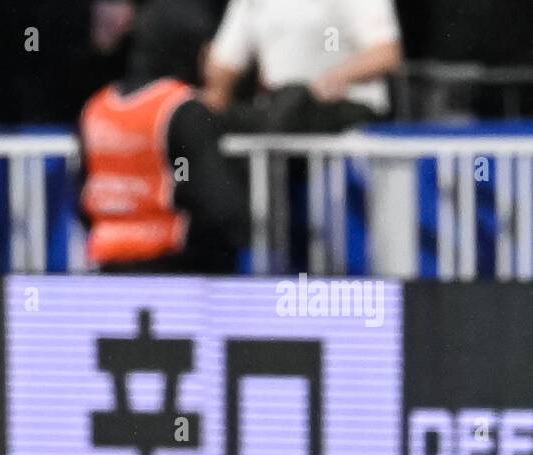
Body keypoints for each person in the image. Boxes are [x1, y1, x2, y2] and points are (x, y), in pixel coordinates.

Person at [78, 0, 247, 274]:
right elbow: (221, 205)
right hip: (175, 267)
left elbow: (83, 195)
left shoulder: (96, 107)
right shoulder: (182, 108)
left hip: (108, 265)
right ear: (193, 48)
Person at [204, 0, 403, 132]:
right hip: (280, 112)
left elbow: (386, 53)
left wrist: (334, 79)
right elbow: (225, 62)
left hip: (344, 112)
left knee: (291, 106)